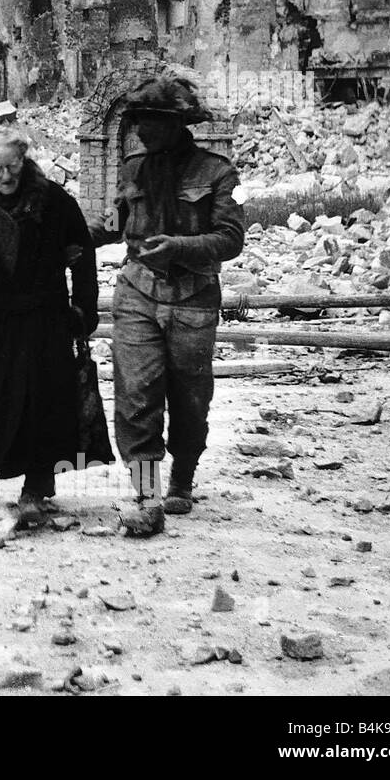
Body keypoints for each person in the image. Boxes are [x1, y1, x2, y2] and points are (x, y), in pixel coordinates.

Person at [88, 76, 245, 536]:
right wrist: (72, 236)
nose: (141, 131)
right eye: (137, 121)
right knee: (135, 393)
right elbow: (115, 223)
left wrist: (179, 247)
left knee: (191, 397)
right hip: (137, 292)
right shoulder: (134, 168)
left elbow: (231, 238)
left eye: (152, 122)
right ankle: (146, 491)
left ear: (178, 125)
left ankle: (182, 477)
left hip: (193, 298)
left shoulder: (217, 172)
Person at [0, 126, 100, 524]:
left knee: (44, 403)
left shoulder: (53, 200)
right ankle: (24, 476)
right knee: (2, 402)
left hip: (45, 321)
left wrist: (83, 311)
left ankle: (36, 487)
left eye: (12, 166)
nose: (6, 177)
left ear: (24, 160)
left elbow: (82, 255)